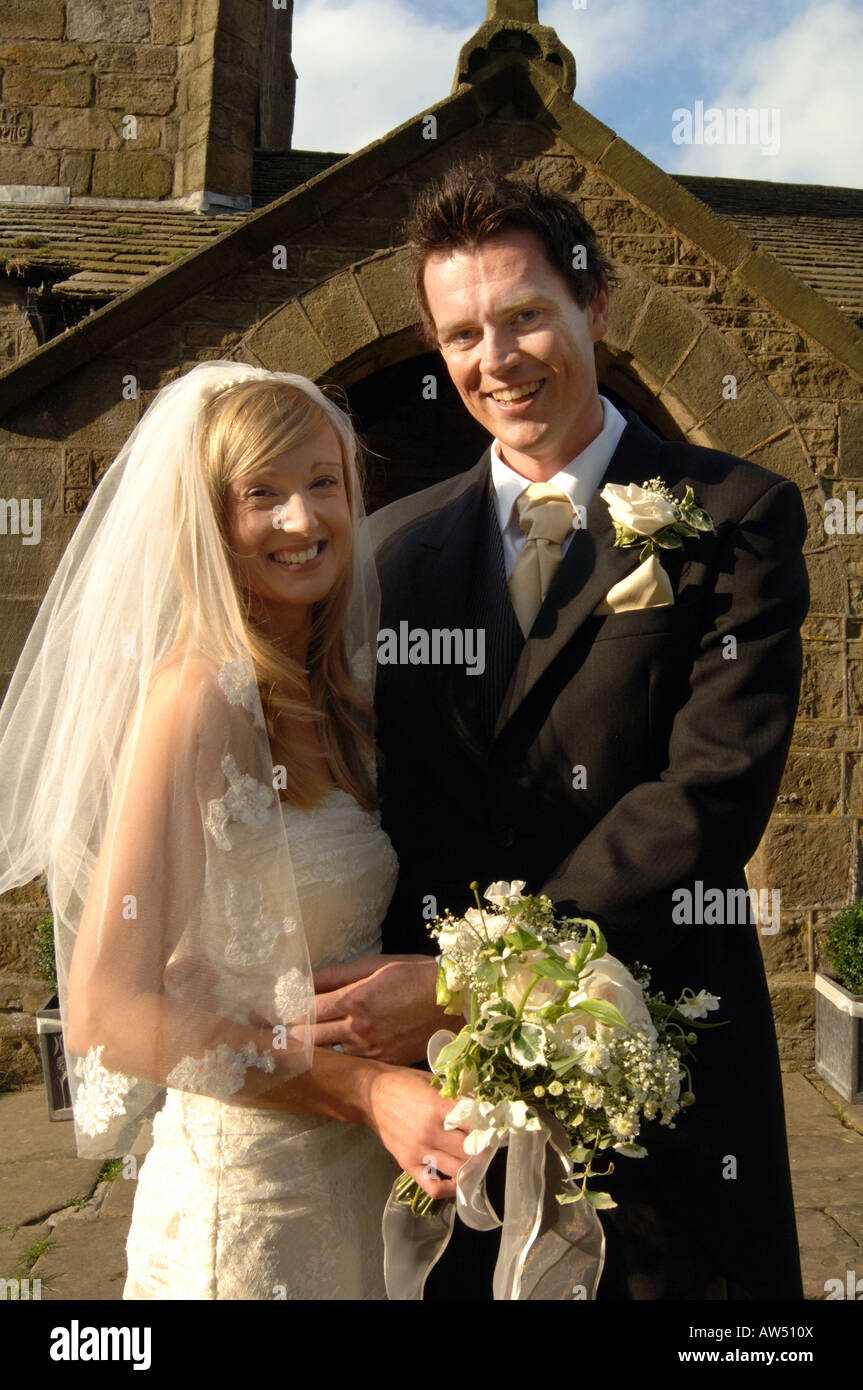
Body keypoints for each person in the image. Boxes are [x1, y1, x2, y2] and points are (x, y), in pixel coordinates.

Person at [311, 160, 808, 1300]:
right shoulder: (390, 547)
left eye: (525, 315)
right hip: (441, 1111)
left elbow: (708, 793)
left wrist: (464, 982)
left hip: (663, 1071)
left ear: (591, 306)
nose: (496, 360)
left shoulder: (732, 518)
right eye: (462, 334)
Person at [0, 360, 467, 1300]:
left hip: (360, 1181)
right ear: (213, 522)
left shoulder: (341, 696)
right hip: (247, 1207)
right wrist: (367, 1090)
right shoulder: (196, 698)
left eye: (321, 484)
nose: (302, 520)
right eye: (262, 495)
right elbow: (106, 1013)